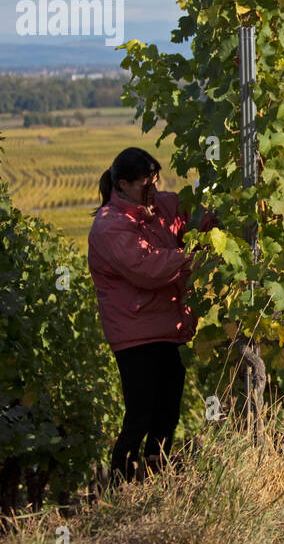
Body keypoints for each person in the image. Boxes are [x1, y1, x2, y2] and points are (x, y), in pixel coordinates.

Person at [88, 147, 213, 481]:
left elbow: (199, 217)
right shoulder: (109, 227)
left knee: (166, 416)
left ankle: (155, 483)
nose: (153, 190)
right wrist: (196, 257)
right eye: (146, 185)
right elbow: (147, 267)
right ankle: (121, 489)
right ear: (124, 184)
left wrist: (221, 217)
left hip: (170, 328)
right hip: (135, 335)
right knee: (140, 417)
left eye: (156, 182)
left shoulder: (161, 206)